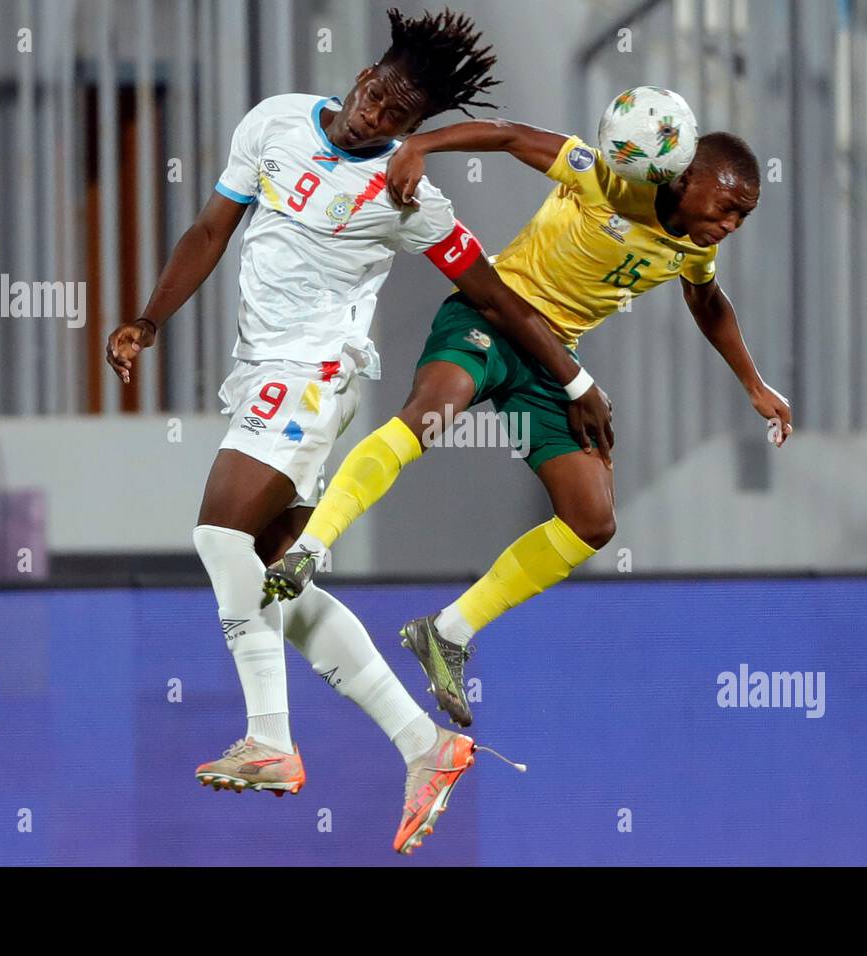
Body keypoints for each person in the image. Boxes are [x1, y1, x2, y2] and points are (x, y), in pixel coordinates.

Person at [104, 8, 591, 855]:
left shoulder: (410, 197)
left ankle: (270, 740)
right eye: (378, 94)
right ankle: (423, 744)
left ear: (415, 127)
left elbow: (496, 299)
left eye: (401, 115)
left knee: (220, 534)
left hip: (316, 373)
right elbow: (210, 229)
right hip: (259, 369)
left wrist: (575, 378)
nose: (379, 115)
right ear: (365, 73)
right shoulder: (274, 121)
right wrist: (149, 318)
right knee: (272, 583)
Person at [264, 112, 792, 730]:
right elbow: (510, 136)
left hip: (553, 361)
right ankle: (308, 548)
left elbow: (707, 300)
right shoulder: (606, 179)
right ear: (683, 177)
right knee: (430, 417)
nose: (730, 224)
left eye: (743, 217)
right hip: (490, 316)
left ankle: (446, 632)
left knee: (592, 521)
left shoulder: (695, 247)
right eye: (727, 206)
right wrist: (420, 145)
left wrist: (753, 384)